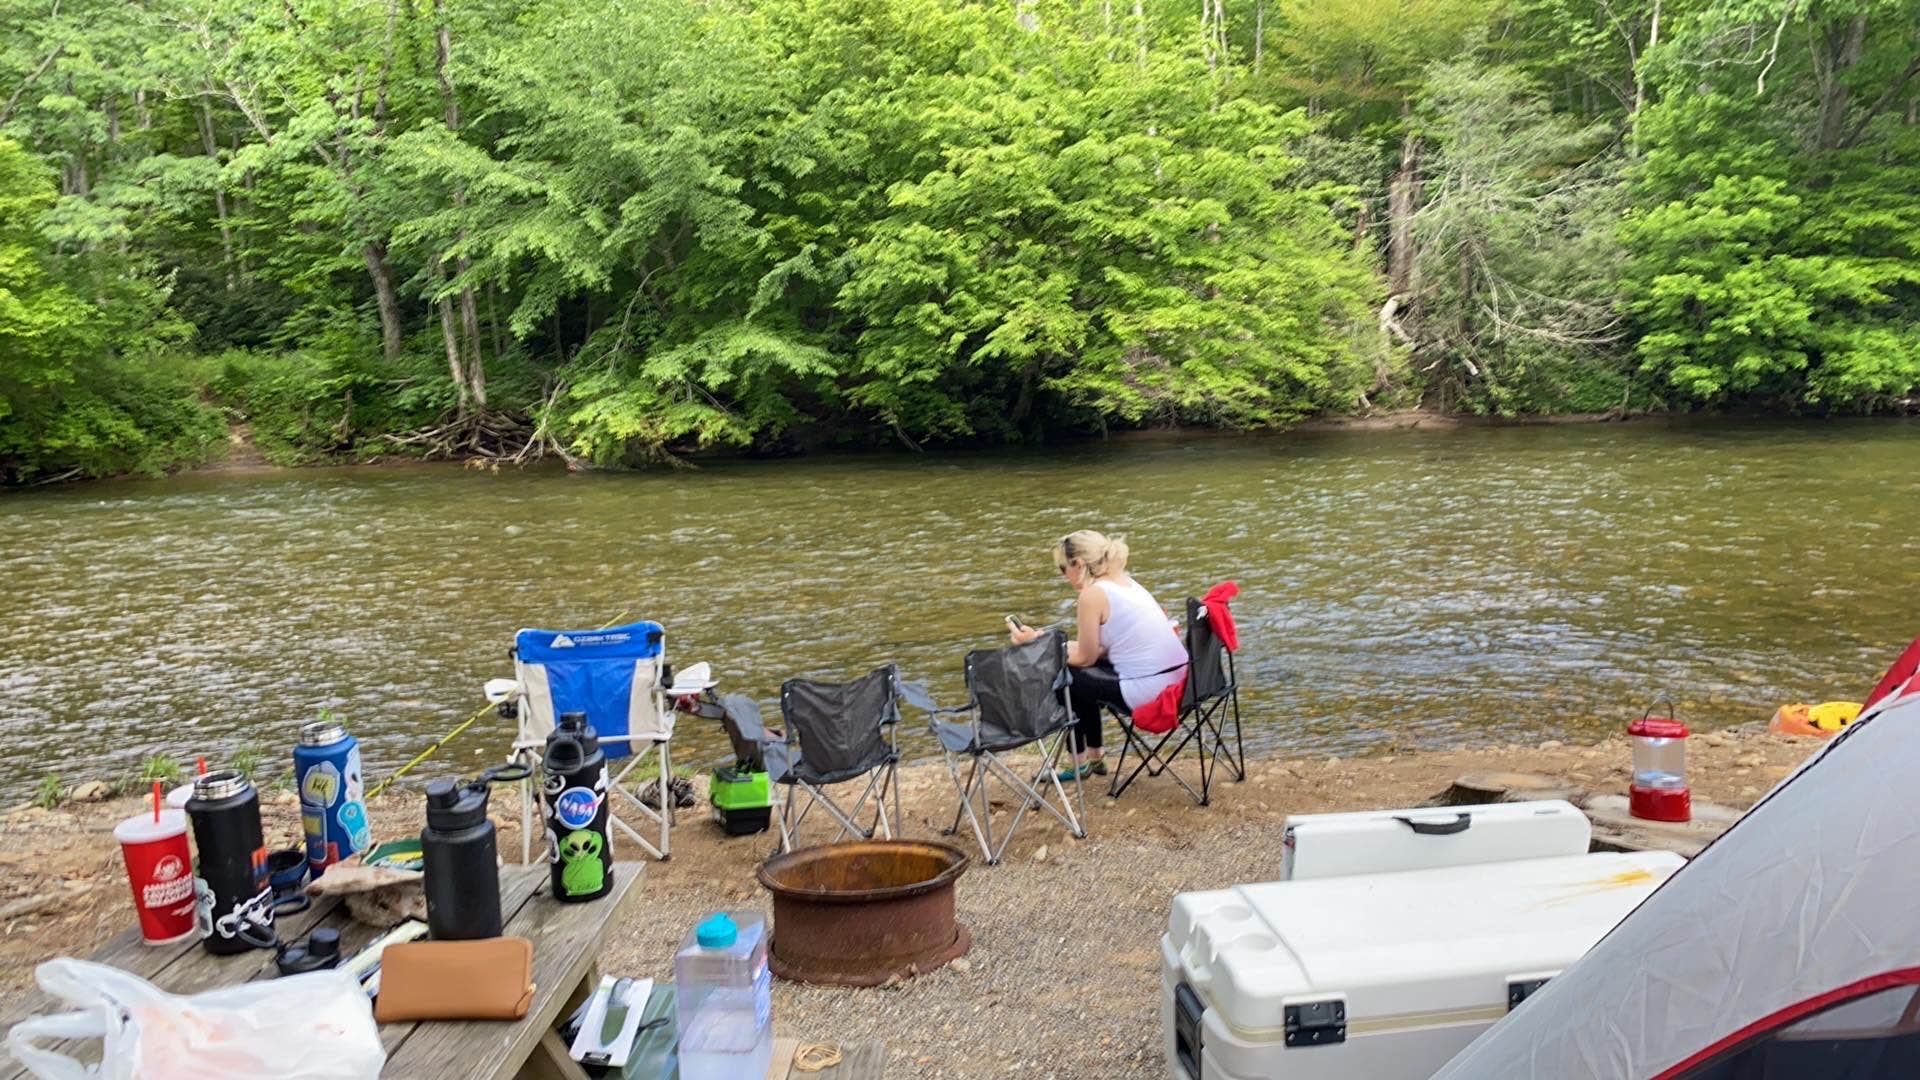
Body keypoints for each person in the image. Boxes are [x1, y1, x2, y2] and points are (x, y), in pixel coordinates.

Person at [1009, 530, 1188, 781]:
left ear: (1079, 564)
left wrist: (1038, 647)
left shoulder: (1092, 595)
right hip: (1180, 683)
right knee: (1079, 675)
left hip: (1150, 692)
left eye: (1063, 568)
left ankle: (1078, 763)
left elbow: (1086, 658)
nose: (1063, 575)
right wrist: (1041, 638)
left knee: (1062, 674)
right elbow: (1098, 650)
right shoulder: (1126, 583)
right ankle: (1095, 757)